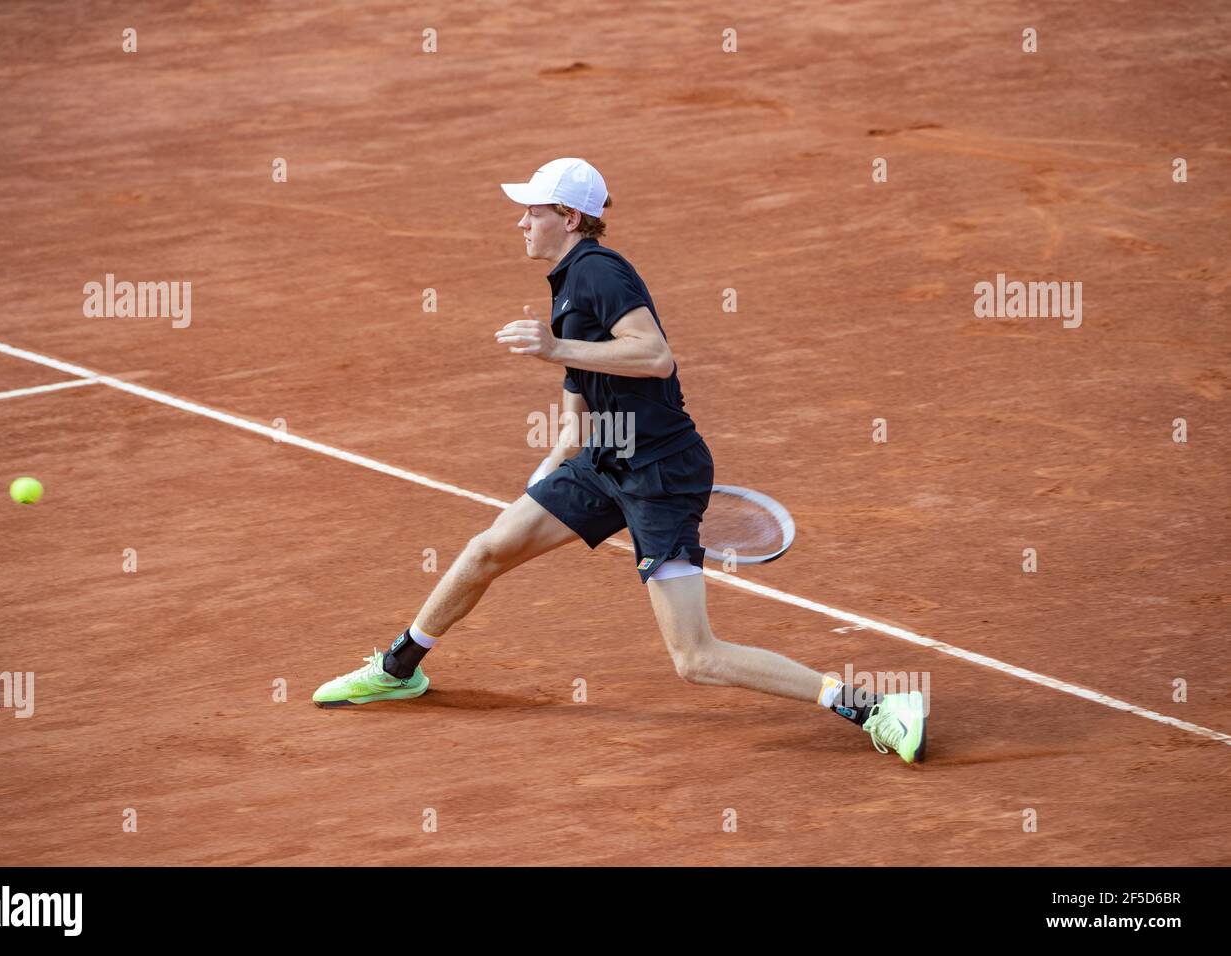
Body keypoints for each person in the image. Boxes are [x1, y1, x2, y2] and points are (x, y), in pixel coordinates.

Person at [313, 158, 926, 763]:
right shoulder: (566, 281)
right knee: (487, 550)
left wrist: (553, 346)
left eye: (533, 211)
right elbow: (580, 390)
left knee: (695, 659)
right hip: (605, 460)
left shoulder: (599, 271)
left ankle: (874, 706)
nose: (521, 222)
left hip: (659, 473)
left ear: (569, 217)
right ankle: (399, 668)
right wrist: (557, 458)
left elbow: (654, 356)